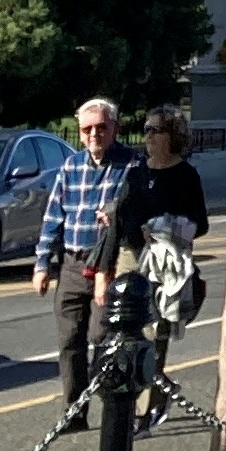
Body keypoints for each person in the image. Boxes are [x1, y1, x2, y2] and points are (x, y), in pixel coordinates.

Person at [33, 96, 138, 429]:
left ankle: (115, 413)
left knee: (102, 338)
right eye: (87, 129)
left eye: (101, 128)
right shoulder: (71, 166)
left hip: (108, 265)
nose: (94, 134)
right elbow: (53, 218)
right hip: (72, 263)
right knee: (69, 342)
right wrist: (42, 265)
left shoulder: (130, 165)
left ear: (114, 129)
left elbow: (133, 216)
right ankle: (74, 414)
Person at [119, 108, 210, 429]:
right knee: (127, 333)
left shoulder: (185, 175)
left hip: (167, 263)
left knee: (154, 335)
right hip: (133, 260)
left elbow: (200, 223)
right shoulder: (137, 173)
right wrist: (136, 231)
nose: (149, 136)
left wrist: (164, 228)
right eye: (146, 130)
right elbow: (125, 215)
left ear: (173, 136)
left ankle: (142, 413)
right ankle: (157, 390)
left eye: (156, 130)